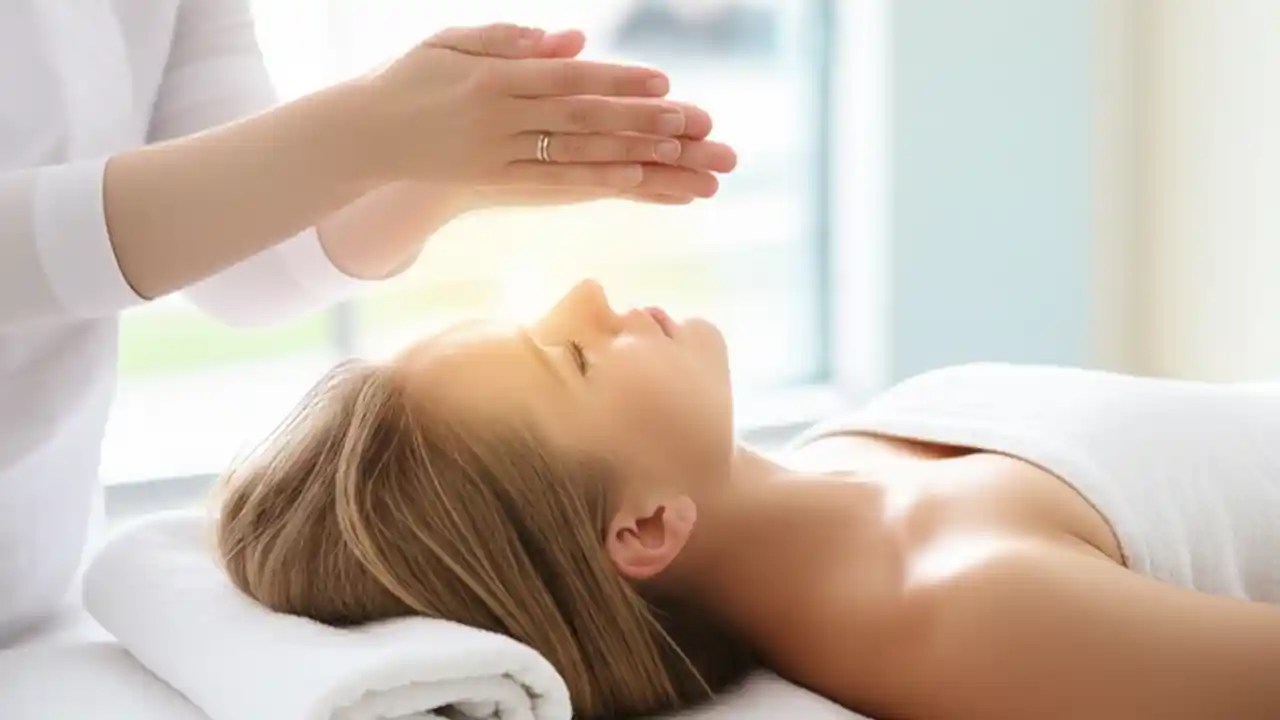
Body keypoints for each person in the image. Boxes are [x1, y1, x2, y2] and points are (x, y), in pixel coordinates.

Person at [0, 1, 738, 645]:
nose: (583, 290)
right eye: (569, 358)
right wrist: (369, 130)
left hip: (36, 582)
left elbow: (246, 262)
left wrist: (441, 175)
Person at [216, 279, 1280, 719]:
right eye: (569, 362)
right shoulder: (956, 608)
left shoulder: (838, 458)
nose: (586, 293)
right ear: (641, 527)